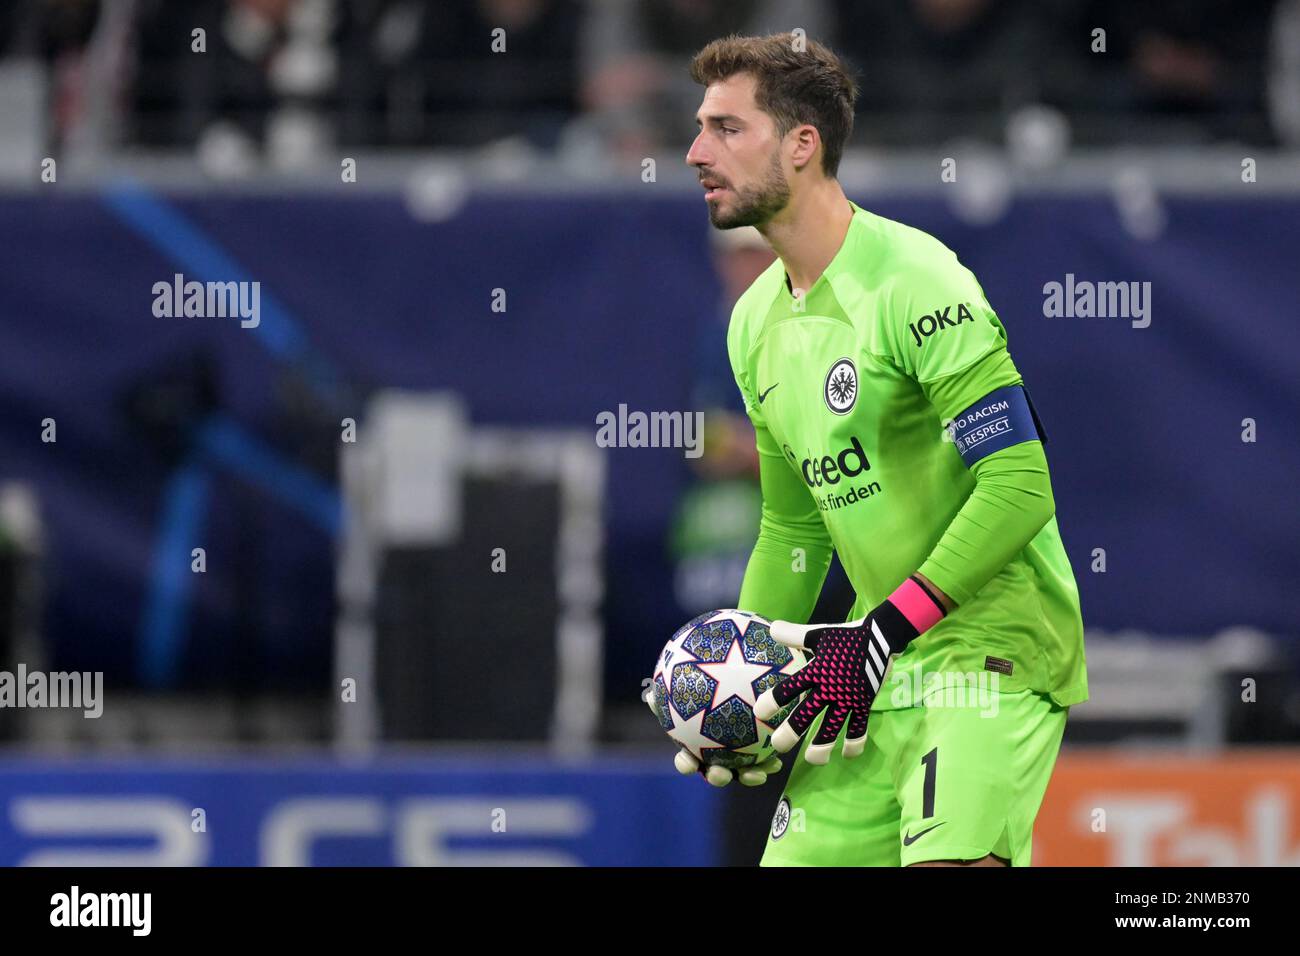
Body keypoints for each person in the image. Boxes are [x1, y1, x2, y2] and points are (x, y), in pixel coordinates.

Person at [675, 33, 1087, 867]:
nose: (694, 153)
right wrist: (753, 678)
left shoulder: (917, 280)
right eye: (698, 128)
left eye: (725, 129)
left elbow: (1019, 486)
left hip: (989, 656)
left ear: (802, 144)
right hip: (871, 673)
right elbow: (794, 531)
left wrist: (885, 630)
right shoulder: (753, 324)